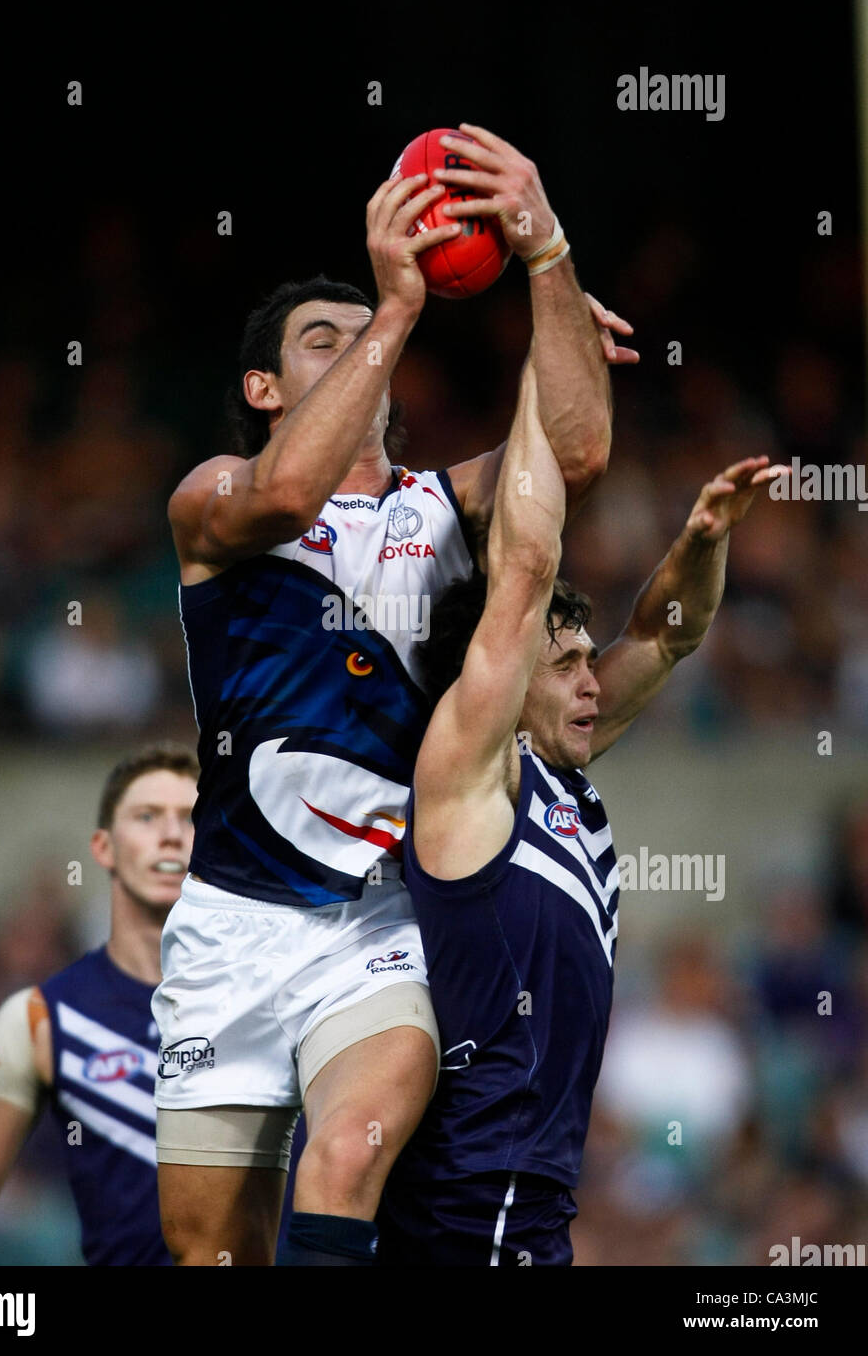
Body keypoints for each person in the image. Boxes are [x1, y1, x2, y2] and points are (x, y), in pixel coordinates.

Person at [153, 123, 633, 1266]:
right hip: (230, 926)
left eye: (363, 331)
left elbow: (568, 459)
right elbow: (281, 490)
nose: (359, 339)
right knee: (205, 1252)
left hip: (380, 923)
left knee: (350, 1152)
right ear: (264, 386)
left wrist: (546, 254)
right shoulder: (215, 496)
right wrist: (398, 308)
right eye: (325, 337)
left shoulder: (441, 506)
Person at [375, 358, 786, 1265]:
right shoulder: (468, 778)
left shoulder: (558, 772)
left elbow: (664, 633)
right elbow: (523, 564)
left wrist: (706, 536)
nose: (592, 680)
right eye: (564, 665)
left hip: (532, 1190)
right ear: (502, 682)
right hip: (469, 1191)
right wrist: (544, 363)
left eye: (585, 664)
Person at [0, 743, 200, 1267]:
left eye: (190, 819)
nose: (170, 834)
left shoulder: (277, 996)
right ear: (103, 847)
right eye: (146, 816)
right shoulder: (40, 1018)